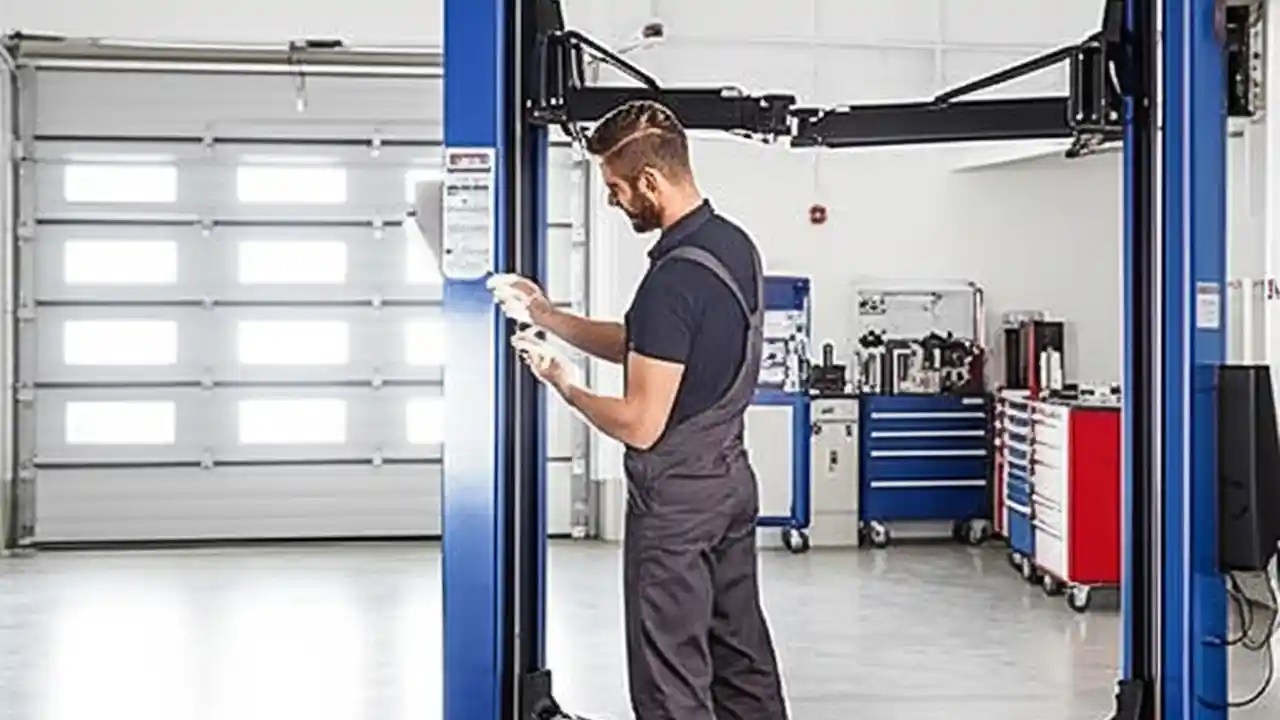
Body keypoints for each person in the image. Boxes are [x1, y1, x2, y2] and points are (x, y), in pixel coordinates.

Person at [490, 100, 789, 720]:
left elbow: (640, 422)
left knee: (670, 674)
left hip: (677, 505)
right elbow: (648, 345)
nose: (612, 201)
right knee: (741, 657)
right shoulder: (732, 246)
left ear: (649, 181)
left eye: (616, 188)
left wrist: (563, 383)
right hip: (730, 484)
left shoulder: (669, 283)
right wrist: (548, 316)